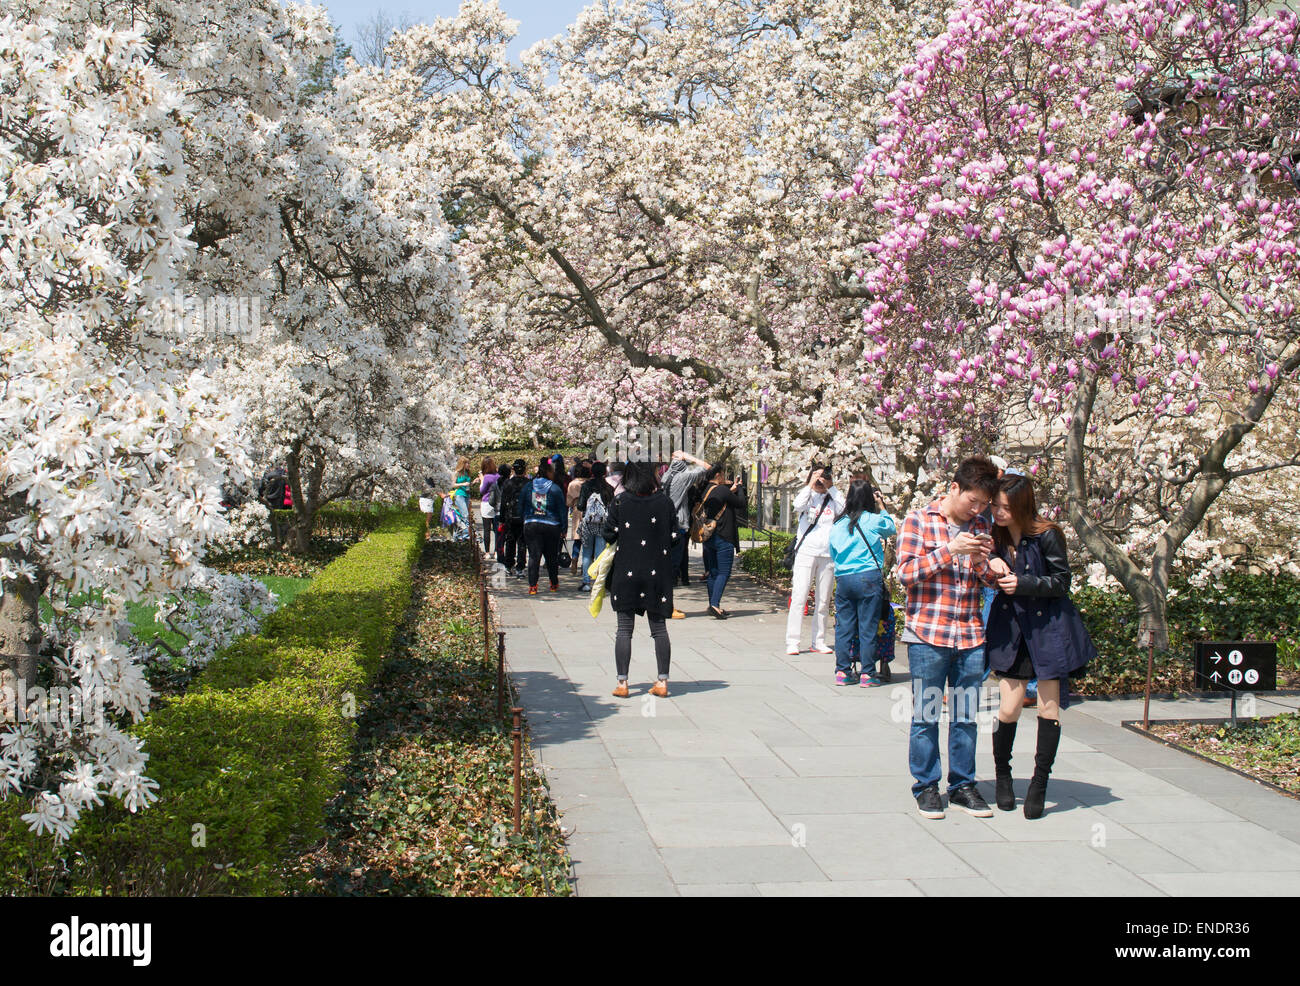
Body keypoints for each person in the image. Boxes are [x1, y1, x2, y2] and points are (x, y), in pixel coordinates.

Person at [895, 455, 1001, 821]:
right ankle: (926, 786)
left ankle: (962, 786)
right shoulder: (919, 520)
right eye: (974, 501)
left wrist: (980, 564)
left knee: (966, 715)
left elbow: (988, 580)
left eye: (984, 504)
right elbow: (905, 574)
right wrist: (948, 551)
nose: (978, 509)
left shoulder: (982, 524)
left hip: (970, 633)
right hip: (928, 633)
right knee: (926, 714)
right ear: (954, 488)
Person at [987, 474, 1096, 818]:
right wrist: (991, 560)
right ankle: (1003, 775)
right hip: (1012, 630)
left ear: (1021, 506)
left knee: (1049, 709)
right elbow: (978, 557)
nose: (997, 512)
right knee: (1010, 708)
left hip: (1047, 629)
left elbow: (1062, 582)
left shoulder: (1047, 534)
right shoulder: (993, 535)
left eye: (1004, 507)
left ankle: (1039, 783)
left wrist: (1023, 582)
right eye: (994, 505)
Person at [602, 461, 677, 697]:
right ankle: (662, 682)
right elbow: (675, 536)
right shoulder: (665, 503)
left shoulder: (620, 502)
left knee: (624, 629)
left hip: (626, 571)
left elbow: (608, 532)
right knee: (659, 629)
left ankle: (622, 684)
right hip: (657, 573)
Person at [828, 479, 897, 687]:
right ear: (869, 498)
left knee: (844, 627)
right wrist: (882, 506)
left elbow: (833, 553)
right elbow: (891, 528)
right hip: (868, 577)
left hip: (844, 579)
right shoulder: (873, 520)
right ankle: (868, 673)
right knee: (868, 626)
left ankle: (842, 671)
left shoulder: (838, 524)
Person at [786, 463, 844, 656]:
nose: (820, 479)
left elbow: (844, 509)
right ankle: (793, 641)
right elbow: (796, 506)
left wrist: (831, 487)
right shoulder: (807, 495)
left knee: (823, 600)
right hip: (806, 552)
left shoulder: (833, 498)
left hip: (827, 555)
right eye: (816, 475)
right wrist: (810, 484)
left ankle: (818, 640)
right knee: (799, 597)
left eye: (823, 476)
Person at [661, 449, 709, 618]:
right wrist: (690, 457)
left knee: (664, 566)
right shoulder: (683, 477)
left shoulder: (666, 477)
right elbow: (707, 467)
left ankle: (663, 604)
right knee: (672, 568)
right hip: (678, 525)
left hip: (663, 525)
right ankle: (667, 607)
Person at [694, 463, 747, 619]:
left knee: (713, 572)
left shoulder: (706, 489)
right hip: (724, 535)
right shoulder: (722, 490)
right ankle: (715, 605)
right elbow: (741, 504)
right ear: (718, 475)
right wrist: (740, 489)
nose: (725, 478)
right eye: (723, 474)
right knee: (724, 572)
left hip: (708, 536)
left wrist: (731, 490)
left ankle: (712, 604)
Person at [519, 457, 567, 593]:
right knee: (551, 556)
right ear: (549, 472)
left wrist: (525, 518)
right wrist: (564, 528)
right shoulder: (555, 488)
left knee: (534, 556)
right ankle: (553, 583)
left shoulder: (528, 486)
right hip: (551, 525)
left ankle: (533, 586)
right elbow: (562, 510)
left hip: (531, 524)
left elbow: (520, 505)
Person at [576, 462, 614, 593]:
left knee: (586, 553)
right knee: (600, 553)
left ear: (592, 472)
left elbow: (580, 506)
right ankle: (599, 582)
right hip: (603, 524)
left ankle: (586, 582)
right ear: (605, 472)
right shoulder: (608, 487)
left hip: (588, 523)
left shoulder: (586, 486)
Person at [498, 459, 529, 577]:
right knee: (522, 542)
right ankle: (520, 567)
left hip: (510, 516)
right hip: (524, 517)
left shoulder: (508, 483)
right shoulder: (528, 483)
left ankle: (508, 565)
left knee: (510, 541)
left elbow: (503, 502)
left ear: (513, 470)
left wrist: (501, 519)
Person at [567, 463, 589, 565]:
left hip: (576, 510)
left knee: (577, 538)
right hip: (588, 511)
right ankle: (586, 563)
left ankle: (574, 559)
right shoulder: (589, 483)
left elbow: (568, 502)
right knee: (587, 540)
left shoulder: (572, 484)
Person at [479, 457, 500, 554]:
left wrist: (481, 480)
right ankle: (497, 551)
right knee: (497, 529)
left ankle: (487, 552)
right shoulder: (498, 476)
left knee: (486, 529)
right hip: (496, 504)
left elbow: (482, 491)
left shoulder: (486, 477)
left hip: (486, 503)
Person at [450, 455, 473, 543]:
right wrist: (462, 484)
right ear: (462, 464)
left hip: (467, 495)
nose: (468, 465)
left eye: (468, 463)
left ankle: (461, 534)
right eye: (467, 463)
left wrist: (472, 482)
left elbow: (468, 484)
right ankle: (466, 534)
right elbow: (452, 485)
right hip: (459, 495)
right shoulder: (457, 473)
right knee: (465, 514)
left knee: (464, 515)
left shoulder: (467, 473)